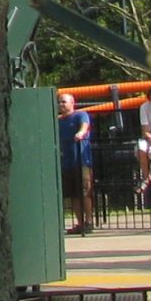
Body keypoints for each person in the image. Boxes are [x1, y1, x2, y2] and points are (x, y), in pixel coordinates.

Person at [57, 90, 95, 233]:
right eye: (59, 102)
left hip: (81, 160)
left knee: (85, 192)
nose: (61, 104)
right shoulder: (58, 121)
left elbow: (84, 126)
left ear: (72, 103)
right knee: (73, 195)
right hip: (66, 162)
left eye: (64, 101)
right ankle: (80, 223)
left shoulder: (80, 115)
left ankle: (89, 221)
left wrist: (80, 133)